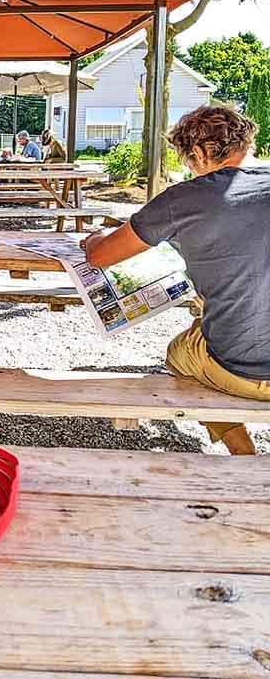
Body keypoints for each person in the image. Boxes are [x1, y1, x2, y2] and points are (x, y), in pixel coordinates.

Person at [84, 105, 270, 455]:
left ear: (199, 152)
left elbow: (100, 256)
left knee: (179, 353)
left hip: (241, 370)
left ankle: (242, 450)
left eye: (188, 160)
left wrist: (93, 238)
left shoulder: (184, 198)